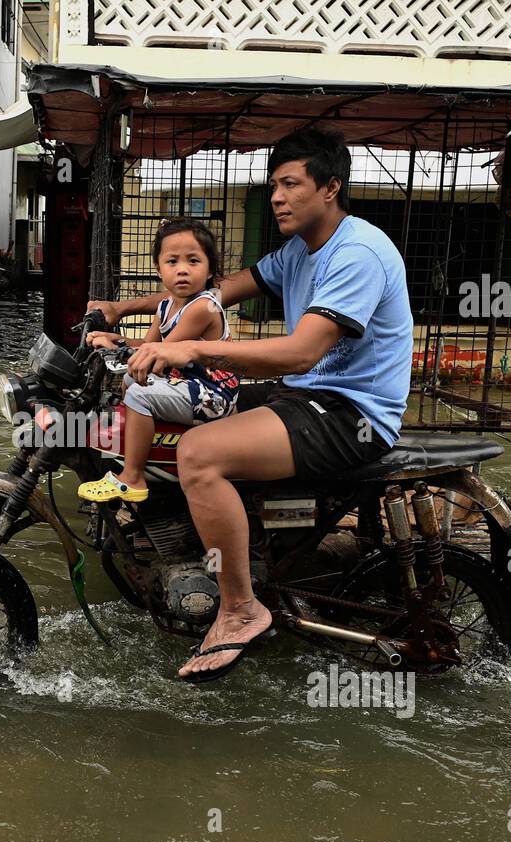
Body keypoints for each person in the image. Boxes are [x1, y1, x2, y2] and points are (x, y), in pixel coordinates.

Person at [88, 126, 414, 683]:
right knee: (182, 409)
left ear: (330, 187)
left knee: (198, 451)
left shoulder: (357, 253)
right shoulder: (298, 251)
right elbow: (215, 290)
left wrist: (189, 345)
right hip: (307, 397)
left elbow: (301, 352)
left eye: (290, 185)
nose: (278, 198)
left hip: (350, 413)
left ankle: (240, 608)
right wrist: (126, 312)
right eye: (273, 186)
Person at [76, 218, 239, 503]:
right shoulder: (165, 306)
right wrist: (113, 339)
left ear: (210, 269)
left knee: (139, 393)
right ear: (158, 269)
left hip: (214, 395)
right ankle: (144, 445)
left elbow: (161, 354)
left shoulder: (203, 307)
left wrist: (120, 344)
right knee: (130, 379)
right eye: (172, 261)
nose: (182, 270)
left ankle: (132, 477)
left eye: (193, 261)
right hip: (187, 385)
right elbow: (151, 346)